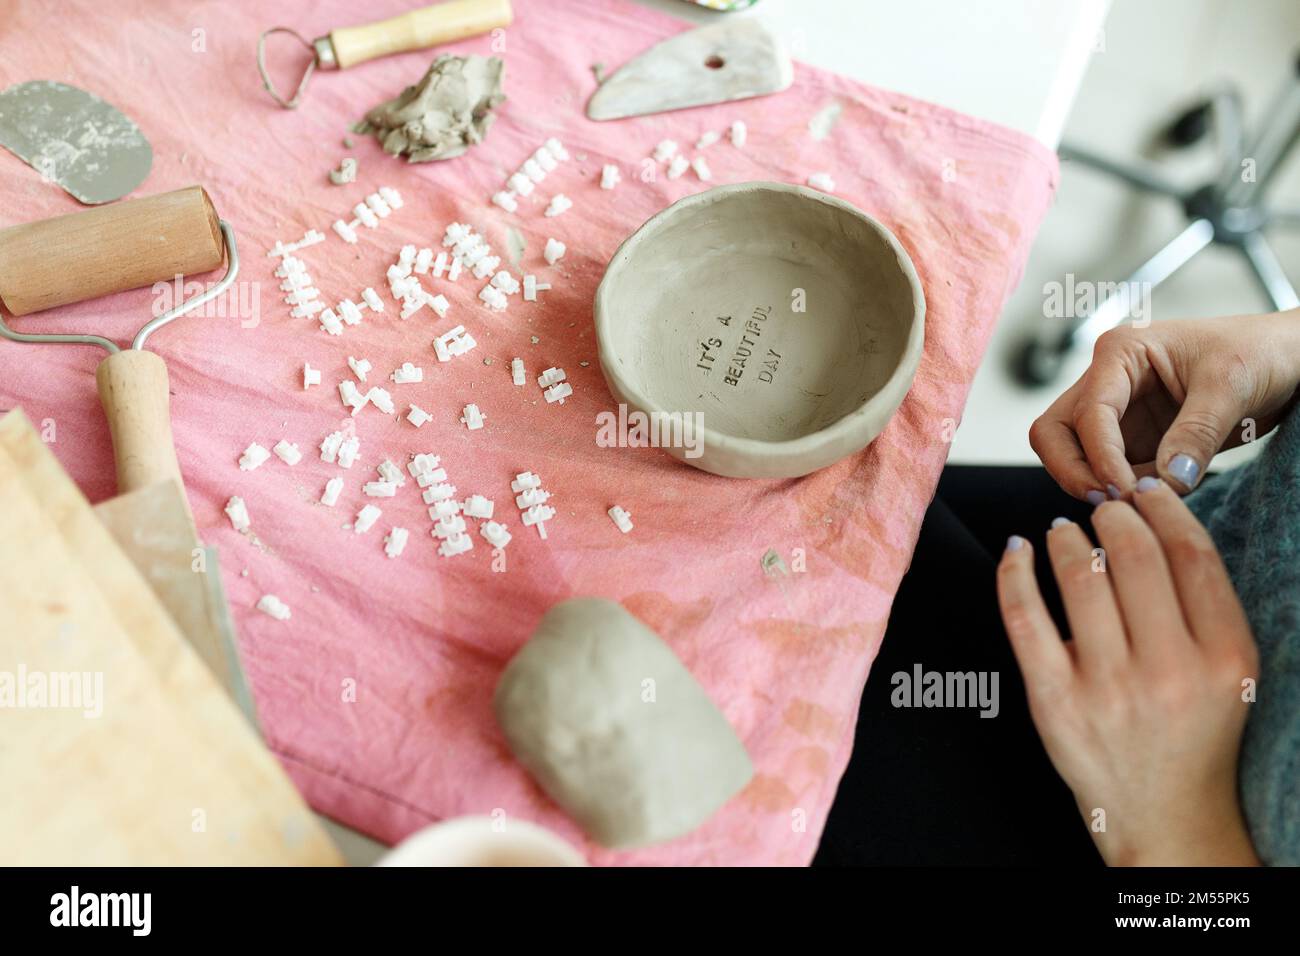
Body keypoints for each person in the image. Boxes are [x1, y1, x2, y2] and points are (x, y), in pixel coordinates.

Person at [817, 309, 1299, 866]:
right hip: (1189, 534)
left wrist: (1177, 832)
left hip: (1144, 799)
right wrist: (1287, 342)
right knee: (834, 508)